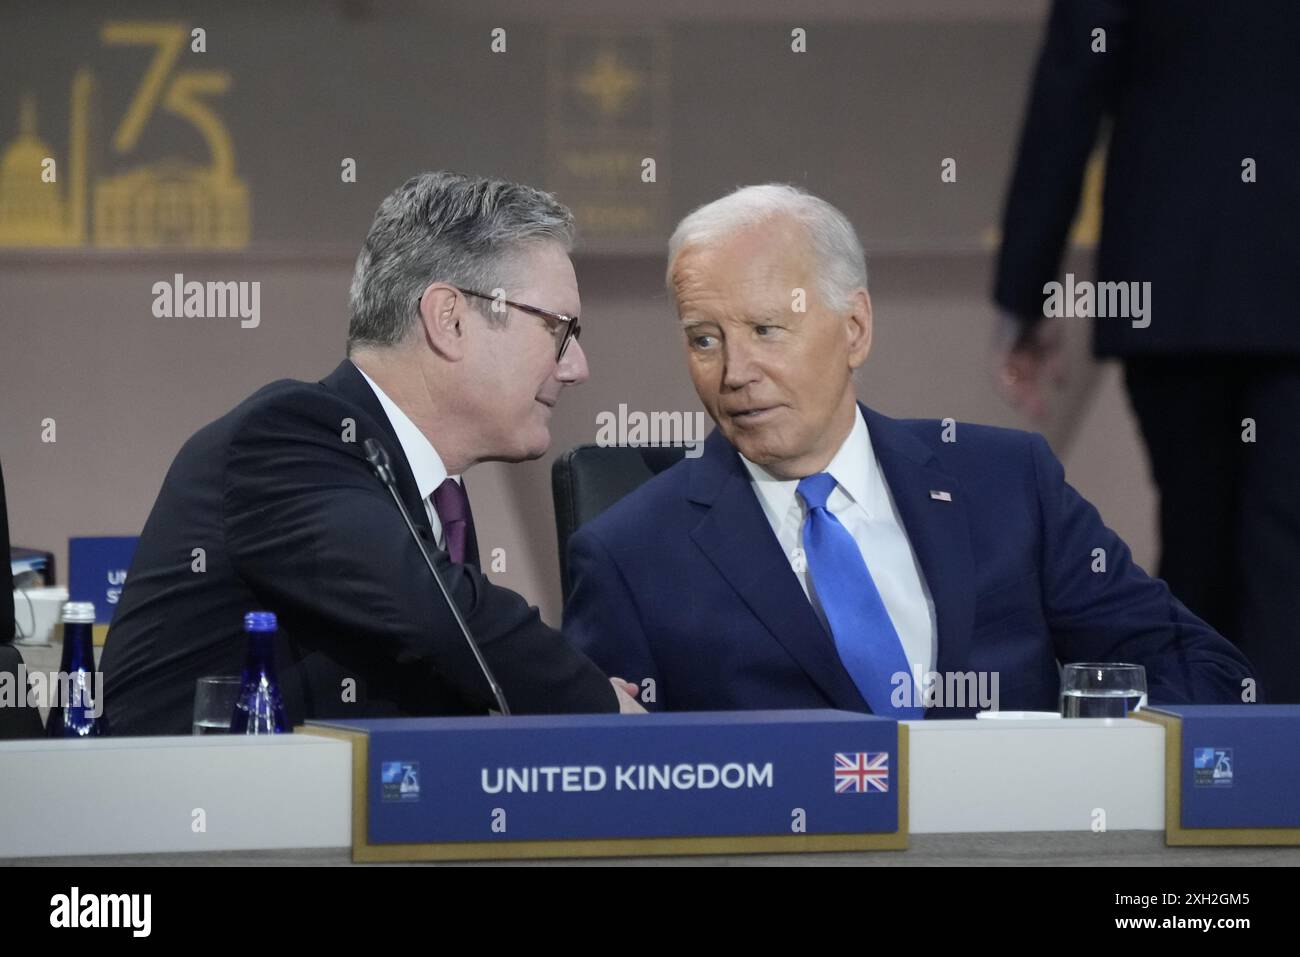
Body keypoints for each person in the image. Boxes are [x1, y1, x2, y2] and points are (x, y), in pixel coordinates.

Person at [563, 184, 1253, 717]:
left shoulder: (1008, 484)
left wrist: (1081, 762)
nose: (735, 371)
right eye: (704, 338)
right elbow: (609, 788)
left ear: (855, 327)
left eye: (767, 329)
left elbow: (1198, 668)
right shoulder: (629, 556)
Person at [102, 171, 642, 735]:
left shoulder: (428, 489)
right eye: (558, 328)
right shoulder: (286, 438)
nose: (576, 366)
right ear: (450, 319)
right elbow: (433, 611)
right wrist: (597, 704)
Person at [993, 0, 1300, 701]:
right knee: (1287, 556)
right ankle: (1278, 784)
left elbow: (1070, 85)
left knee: (1196, 540)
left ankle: (1205, 773)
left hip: (1175, 280)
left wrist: (1025, 290)